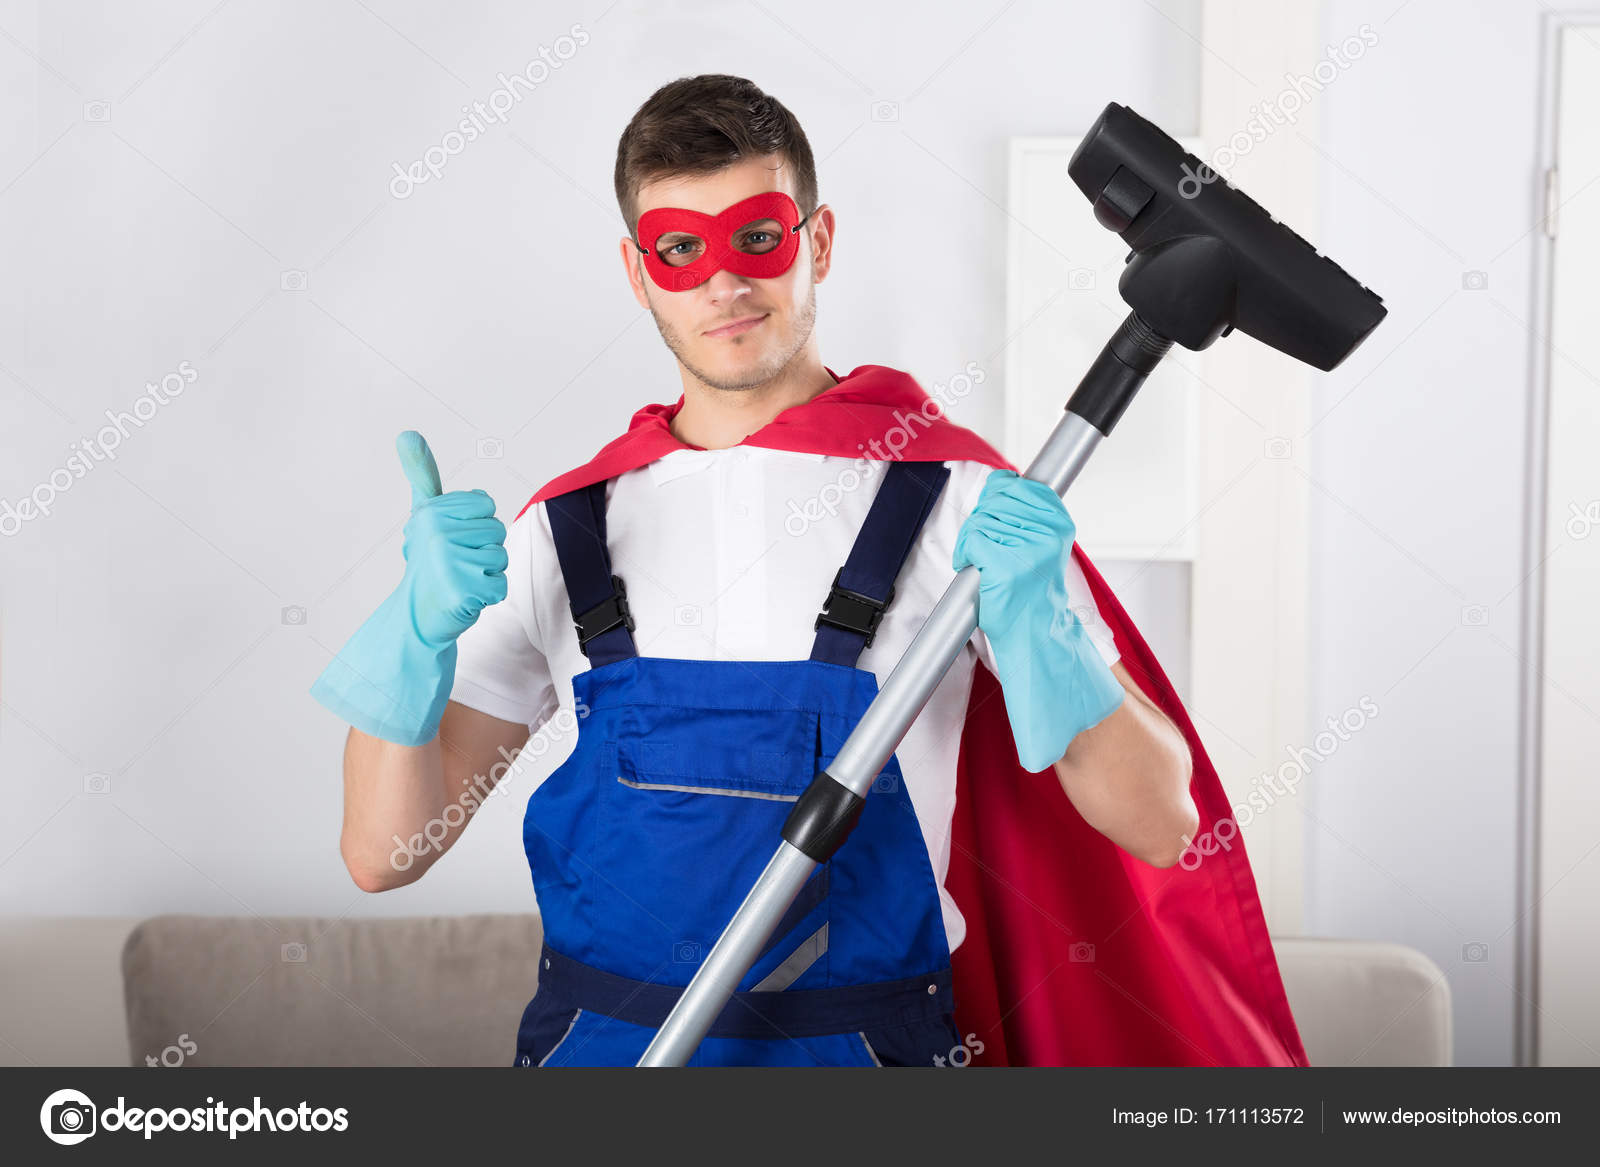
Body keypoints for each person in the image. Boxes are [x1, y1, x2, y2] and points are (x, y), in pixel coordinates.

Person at [312, 74, 1306, 1068]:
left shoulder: (957, 502)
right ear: (637, 270)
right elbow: (382, 856)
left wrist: (1044, 632)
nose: (723, 282)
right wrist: (412, 639)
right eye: (679, 250)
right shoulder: (566, 527)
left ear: (817, 241)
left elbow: (1160, 824)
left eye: (757, 237)